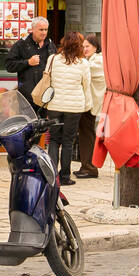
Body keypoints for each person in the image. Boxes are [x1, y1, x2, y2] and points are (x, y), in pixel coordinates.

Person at [42, 31, 92, 185]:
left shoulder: (53, 59)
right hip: (74, 107)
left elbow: (48, 80)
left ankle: (51, 176)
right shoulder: (83, 63)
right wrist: (88, 105)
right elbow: (86, 85)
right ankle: (64, 177)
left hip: (55, 105)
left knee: (54, 140)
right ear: (79, 46)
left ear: (63, 43)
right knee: (68, 141)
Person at [5, 17, 57, 116]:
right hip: (27, 97)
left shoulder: (50, 44)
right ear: (32, 29)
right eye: (41, 29)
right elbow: (9, 65)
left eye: (46, 29)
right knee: (28, 126)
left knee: (43, 127)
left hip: (45, 95)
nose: (44, 33)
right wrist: (28, 62)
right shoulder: (22, 44)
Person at [75, 33, 105, 179]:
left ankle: (90, 167)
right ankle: (85, 165)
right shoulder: (89, 60)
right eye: (83, 46)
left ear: (95, 47)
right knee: (85, 134)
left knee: (88, 135)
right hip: (87, 103)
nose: (84, 49)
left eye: (88, 46)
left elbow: (84, 69)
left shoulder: (98, 61)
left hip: (91, 104)